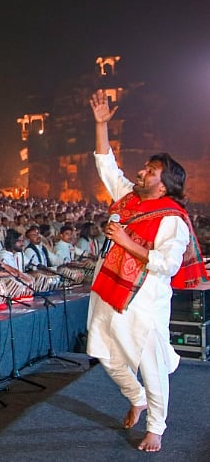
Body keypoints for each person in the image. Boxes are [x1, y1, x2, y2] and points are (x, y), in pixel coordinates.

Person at [86, 90, 207, 452]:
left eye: (150, 171)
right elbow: (107, 165)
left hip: (144, 298)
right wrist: (100, 124)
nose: (141, 172)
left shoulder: (173, 218)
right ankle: (135, 397)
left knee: (150, 363)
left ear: (165, 182)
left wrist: (124, 240)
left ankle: (156, 426)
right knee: (104, 353)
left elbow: (167, 264)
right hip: (107, 289)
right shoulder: (128, 198)